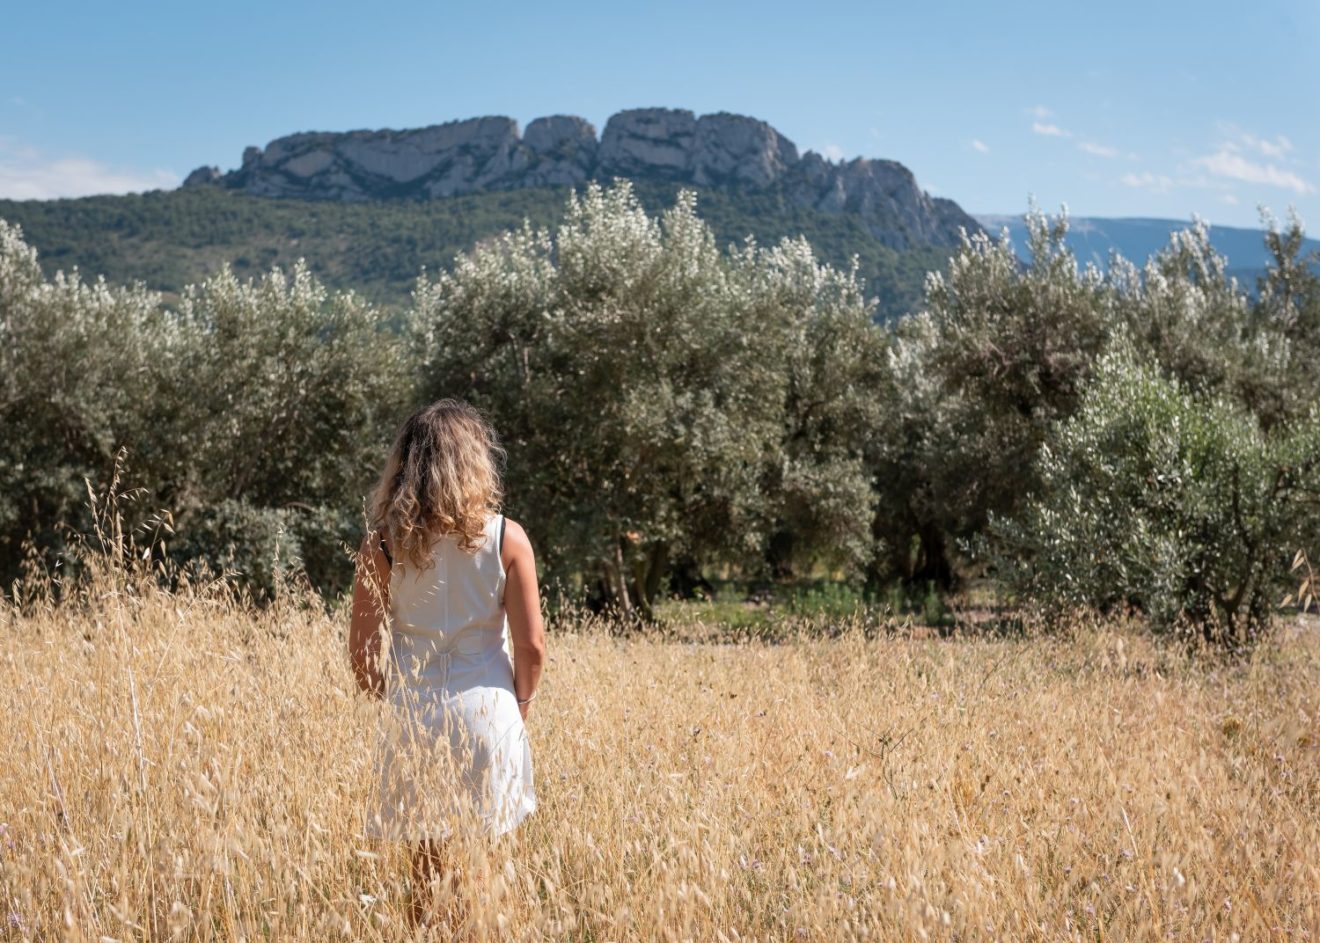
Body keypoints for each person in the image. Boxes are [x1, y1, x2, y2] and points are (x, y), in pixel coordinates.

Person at [347, 399, 546, 932]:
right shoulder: (508, 538)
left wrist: (399, 699)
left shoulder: (382, 546)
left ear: (405, 464)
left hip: (415, 716)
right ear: (476, 463)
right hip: (489, 714)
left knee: (424, 877)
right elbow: (532, 648)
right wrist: (520, 703)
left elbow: (363, 658)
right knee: (488, 871)